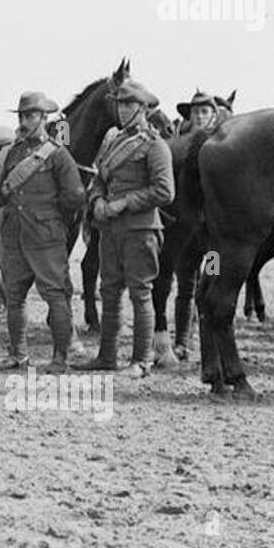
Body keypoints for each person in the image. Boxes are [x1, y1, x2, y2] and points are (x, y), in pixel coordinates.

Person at [0, 92, 84, 370]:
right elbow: (3, 190)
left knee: (55, 295)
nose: (24, 121)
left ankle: (60, 359)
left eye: (31, 116)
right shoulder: (13, 151)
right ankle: (18, 355)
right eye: (22, 116)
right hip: (15, 235)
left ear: (44, 119)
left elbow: (74, 197)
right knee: (14, 296)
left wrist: (50, 217)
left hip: (46, 237)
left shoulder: (58, 154)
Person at [79, 77, 174, 377]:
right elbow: (98, 180)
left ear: (143, 108)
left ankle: (140, 361)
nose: (122, 110)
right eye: (120, 104)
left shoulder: (155, 145)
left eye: (129, 104)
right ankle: (107, 356)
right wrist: (96, 201)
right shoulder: (112, 141)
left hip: (141, 229)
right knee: (108, 292)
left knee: (140, 293)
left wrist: (124, 203)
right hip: (110, 229)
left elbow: (165, 192)